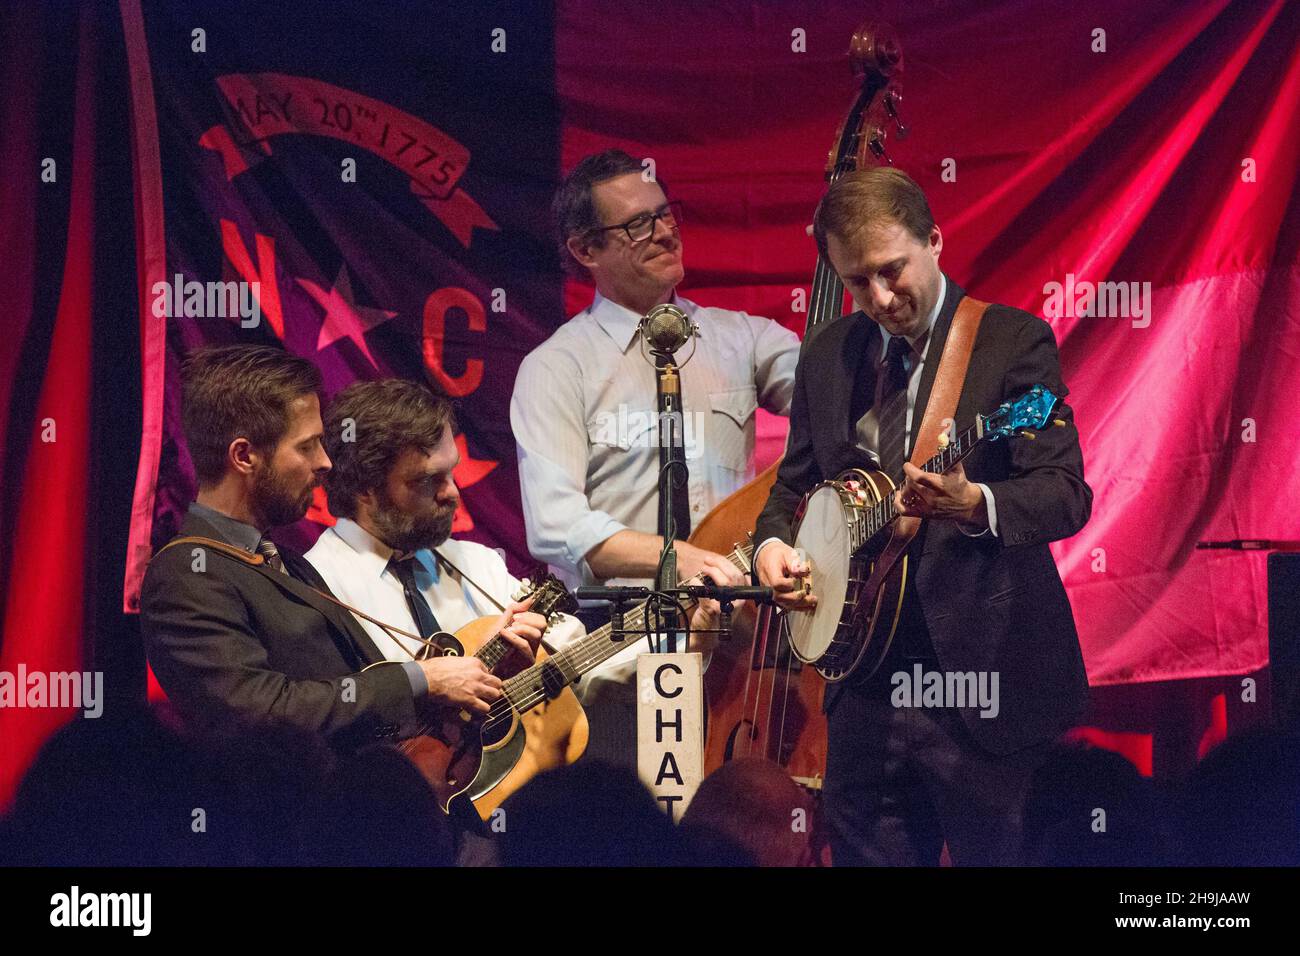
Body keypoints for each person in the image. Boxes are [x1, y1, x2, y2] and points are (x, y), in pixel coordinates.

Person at [754, 167, 1092, 865]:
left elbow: (1064, 493)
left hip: (983, 686)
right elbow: (792, 492)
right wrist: (770, 551)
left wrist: (975, 505)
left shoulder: (1010, 341)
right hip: (863, 690)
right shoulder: (827, 353)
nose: (878, 299)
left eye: (891, 271)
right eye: (857, 282)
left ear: (934, 240)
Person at [510, 149, 800, 764]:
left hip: (742, 639)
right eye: (638, 224)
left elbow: (838, 399)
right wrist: (683, 559)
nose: (665, 231)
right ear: (587, 250)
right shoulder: (556, 368)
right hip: (625, 645)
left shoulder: (742, 338)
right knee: (649, 826)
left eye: (665, 214)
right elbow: (556, 524)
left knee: (741, 831)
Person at [140, 345, 523, 753]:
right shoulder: (187, 574)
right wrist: (422, 680)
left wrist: (489, 649)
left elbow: (363, 681)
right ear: (244, 455)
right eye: (307, 446)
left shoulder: (280, 562)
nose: (325, 462)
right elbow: (259, 711)